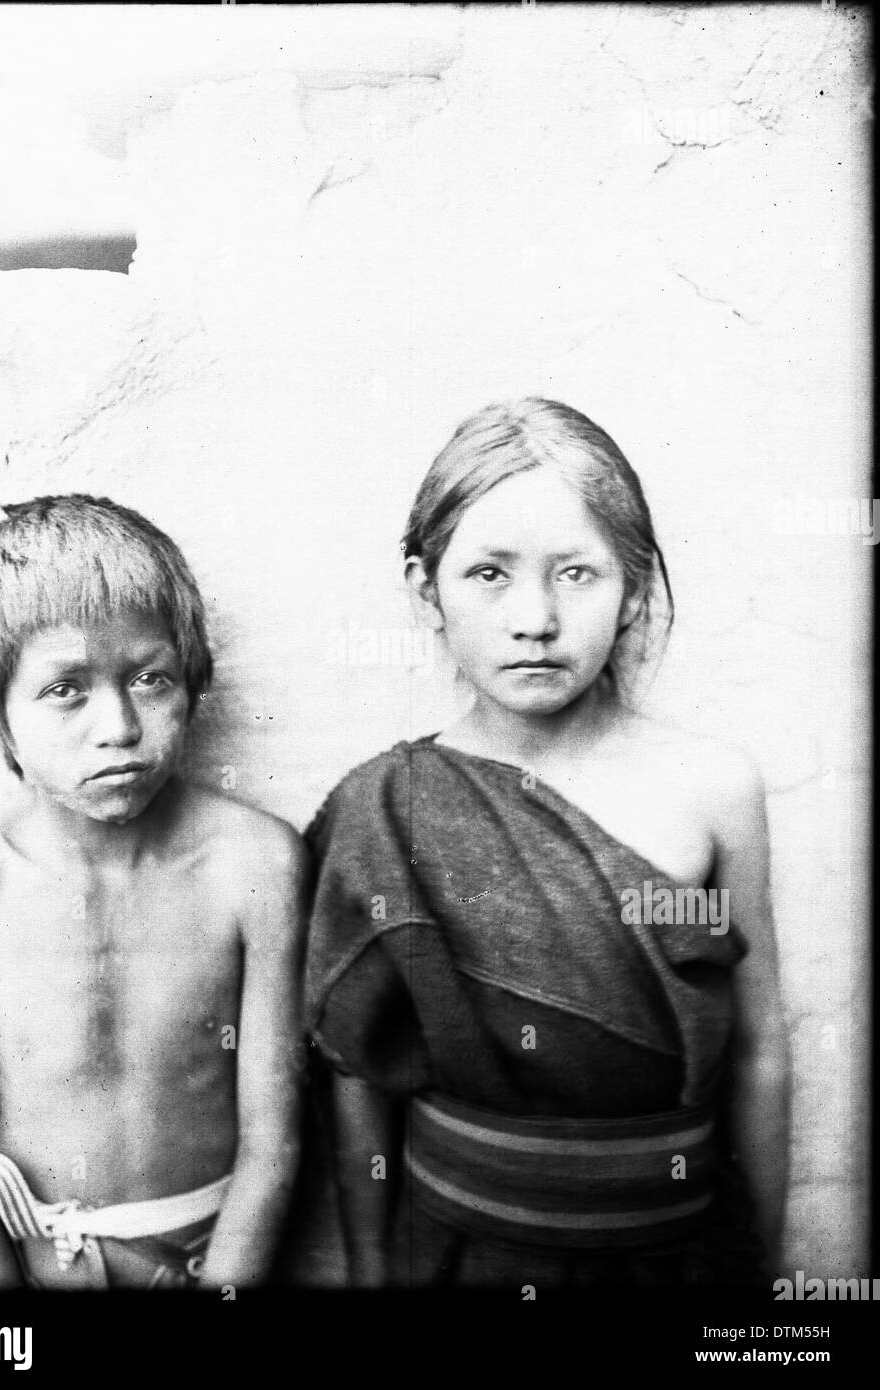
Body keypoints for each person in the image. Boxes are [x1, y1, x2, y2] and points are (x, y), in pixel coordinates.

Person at [305, 399, 790, 1288]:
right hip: (458, 1258)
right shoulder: (390, 805)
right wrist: (373, 1269)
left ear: (634, 588)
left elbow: (759, 1047)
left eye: (576, 573)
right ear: (425, 592)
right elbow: (358, 1069)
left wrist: (762, 1273)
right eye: (489, 574)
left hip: (677, 1253)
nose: (534, 617)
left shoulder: (713, 788)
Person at [0, 494, 308, 1290]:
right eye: (66, 690)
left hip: (208, 1264)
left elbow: (273, 1147)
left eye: (150, 679)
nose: (118, 724)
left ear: (193, 680)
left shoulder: (257, 865)